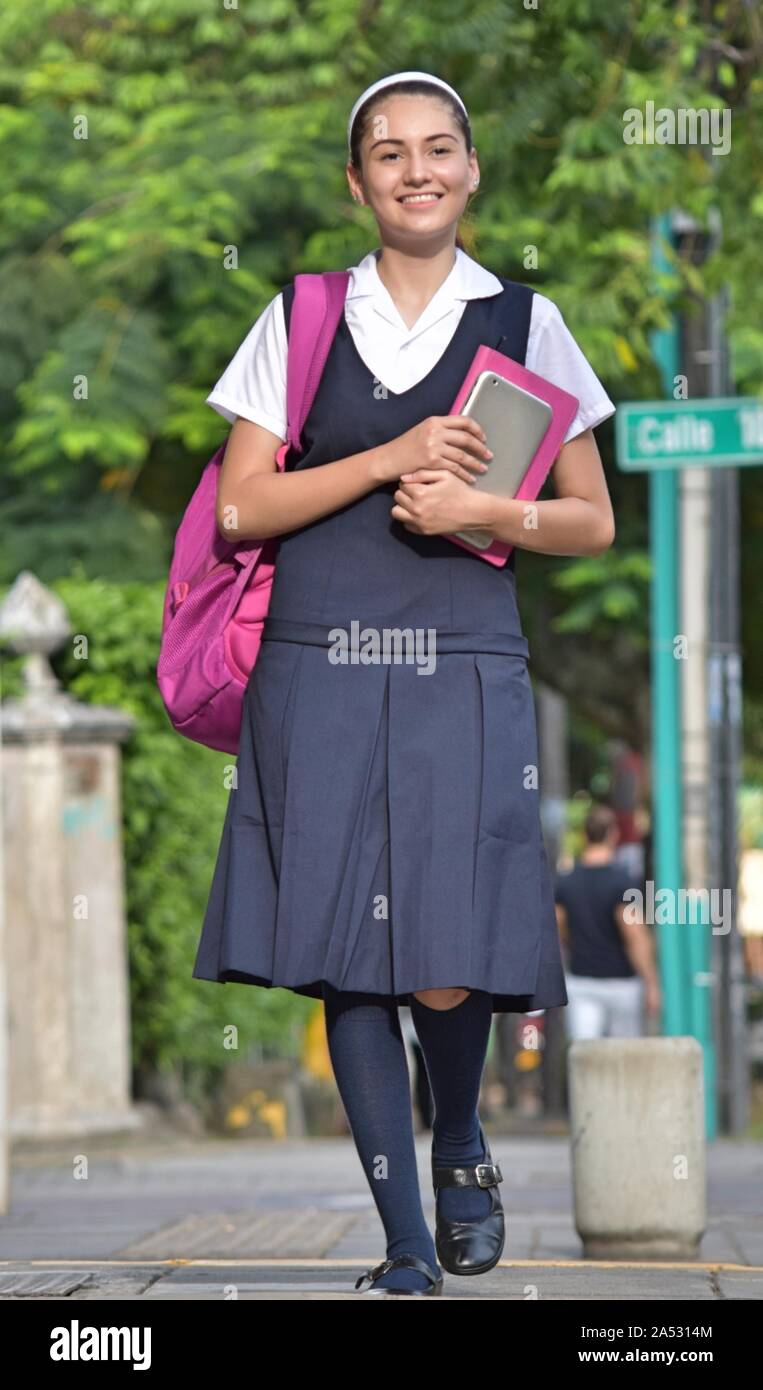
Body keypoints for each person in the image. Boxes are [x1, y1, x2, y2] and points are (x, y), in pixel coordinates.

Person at [192, 70, 617, 1296]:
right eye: (389, 153)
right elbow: (239, 505)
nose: (416, 169)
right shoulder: (303, 313)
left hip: (461, 658)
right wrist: (388, 457)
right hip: (316, 662)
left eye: (439, 149)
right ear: (357, 179)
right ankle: (407, 1250)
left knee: (446, 947)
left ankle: (464, 1138)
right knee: (345, 955)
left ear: (471, 171)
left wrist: (486, 507)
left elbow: (587, 521)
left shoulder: (527, 320)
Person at [554, 802, 661, 1040]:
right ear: (613, 834)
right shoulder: (622, 882)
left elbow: (559, 926)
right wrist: (651, 982)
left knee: (584, 1058)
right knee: (622, 1061)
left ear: (584, 835)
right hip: (622, 984)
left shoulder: (565, 882)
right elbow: (635, 936)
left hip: (581, 981)